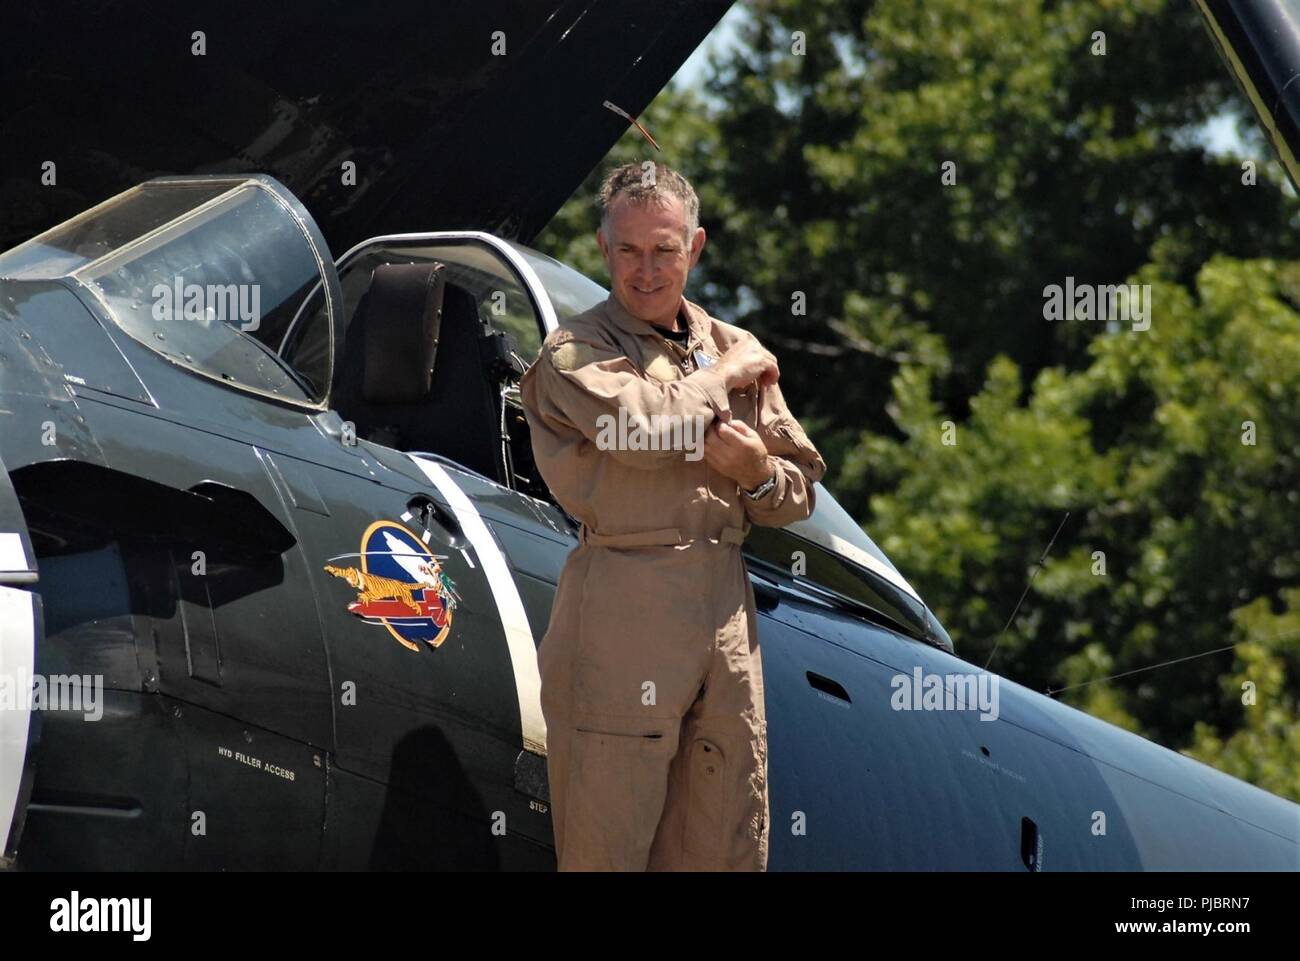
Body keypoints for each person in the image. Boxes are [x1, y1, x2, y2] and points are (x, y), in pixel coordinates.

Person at [519, 162, 826, 870]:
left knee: (724, 839)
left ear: (696, 247)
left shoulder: (732, 345)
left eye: (665, 248)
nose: (646, 269)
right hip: (625, 597)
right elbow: (646, 430)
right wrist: (721, 376)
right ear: (603, 249)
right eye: (628, 250)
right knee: (608, 845)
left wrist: (755, 474)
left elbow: (800, 487)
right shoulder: (576, 351)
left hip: (724, 608)